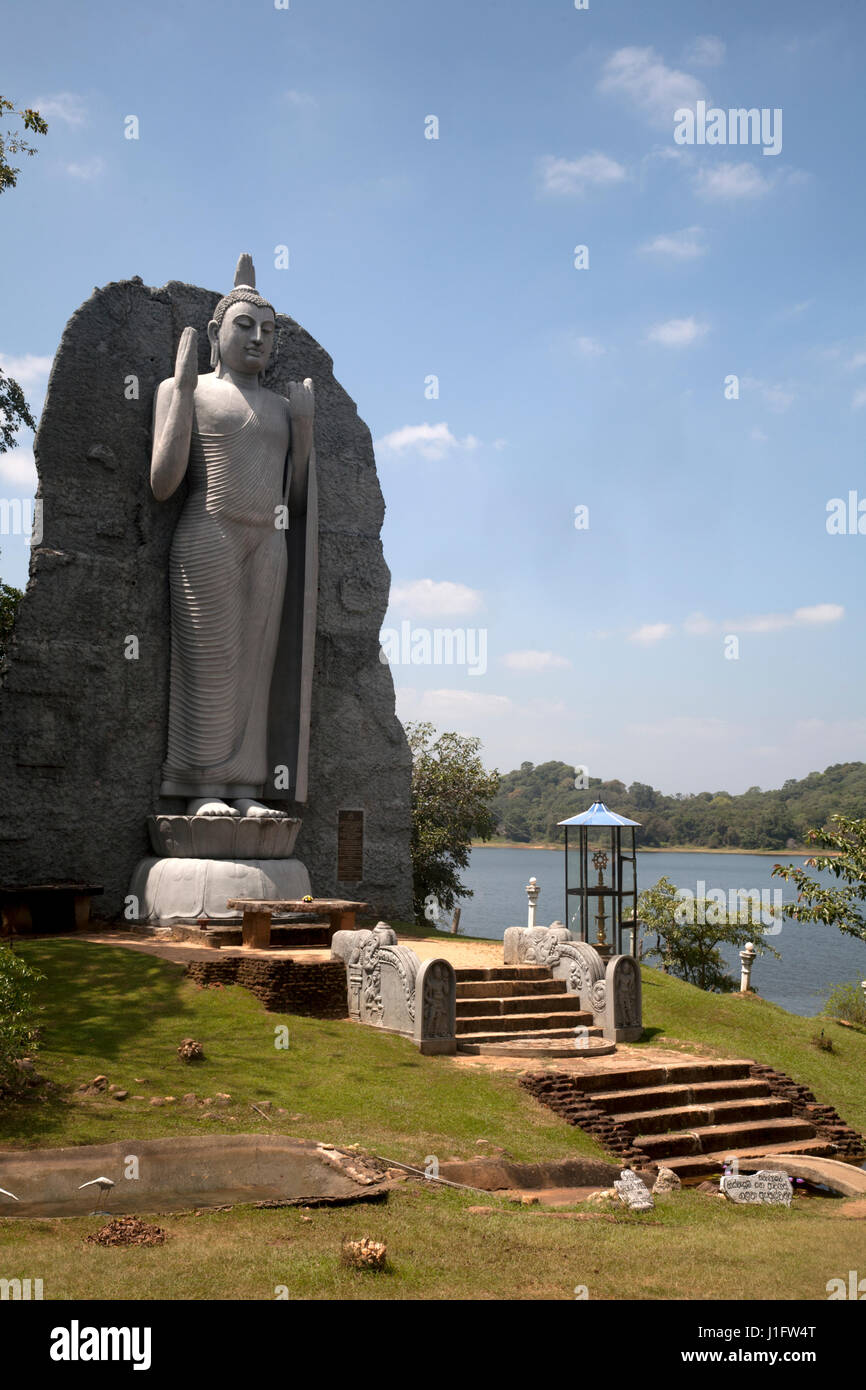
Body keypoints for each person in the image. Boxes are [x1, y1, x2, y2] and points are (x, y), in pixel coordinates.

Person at [150, 255, 314, 818]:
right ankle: (199, 786)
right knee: (210, 660)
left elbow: (294, 500)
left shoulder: (280, 407)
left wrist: (305, 430)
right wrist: (181, 390)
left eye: (268, 331)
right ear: (216, 333)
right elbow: (163, 482)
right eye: (245, 325)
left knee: (256, 670)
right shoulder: (185, 389)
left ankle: (246, 786)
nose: (258, 338)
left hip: (267, 542)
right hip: (209, 533)